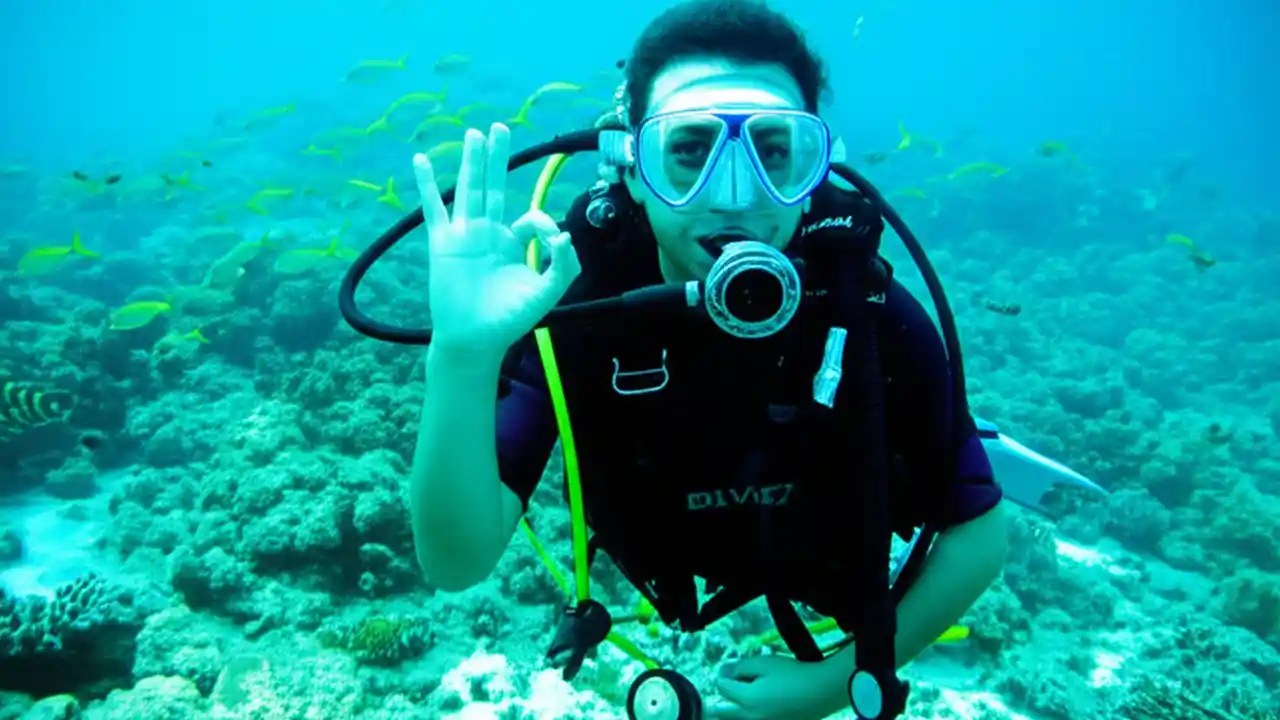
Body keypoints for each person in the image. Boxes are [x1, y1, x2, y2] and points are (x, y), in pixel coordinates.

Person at [407, 1, 1009, 718]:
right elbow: (455, 561)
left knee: (946, 455)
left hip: (820, 561)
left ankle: (976, 440)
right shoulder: (577, 312)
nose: (735, 194)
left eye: (774, 150)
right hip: (670, 558)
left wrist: (832, 682)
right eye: (688, 150)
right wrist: (463, 359)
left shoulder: (866, 311)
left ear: (815, 170)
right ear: (631, 169)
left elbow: (980, 535)